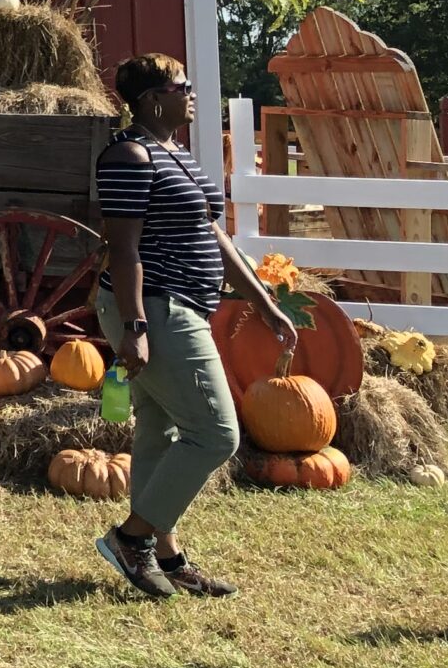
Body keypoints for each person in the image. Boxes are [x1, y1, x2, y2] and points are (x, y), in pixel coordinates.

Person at [91, 52, 299, 599]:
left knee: (159, 431)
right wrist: (135, 326)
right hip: (155, 308)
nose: (192, 95)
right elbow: (124, 248)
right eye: (184, 87)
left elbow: (217, 237)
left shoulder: (175, 152)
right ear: (153, 98)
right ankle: (131, 539)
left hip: (183, 306)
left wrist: (263, 301)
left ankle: (168, 554)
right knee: (216, 433)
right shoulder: (129, 157)